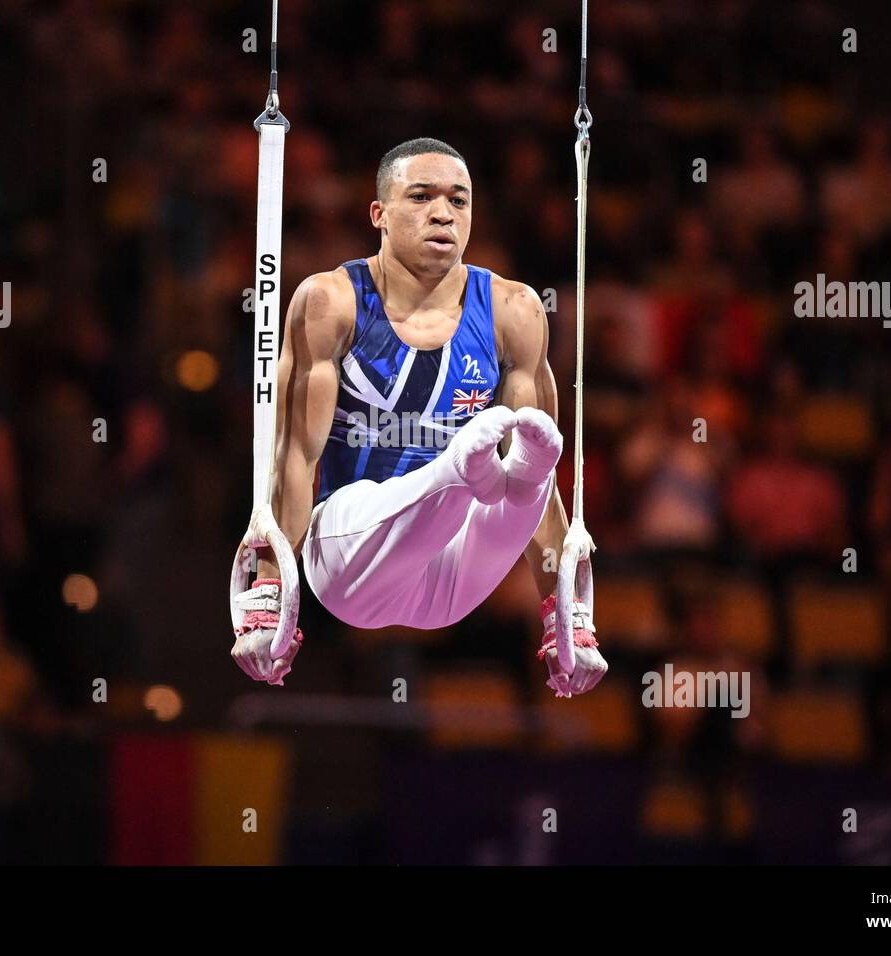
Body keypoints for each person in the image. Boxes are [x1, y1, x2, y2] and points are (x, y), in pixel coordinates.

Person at [231, 137, 608, 696]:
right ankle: (462, 465)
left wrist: (566, 614)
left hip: (452, 577)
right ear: (378, 214)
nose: (443, 213)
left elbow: (546, 498)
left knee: (527, 475)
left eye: (459, 200)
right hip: (351, 558)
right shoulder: (332, 302)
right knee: (467, 474)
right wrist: (268, 593)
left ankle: (470, 467)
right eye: (422, 196)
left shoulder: (513, 311)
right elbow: (295, 456)